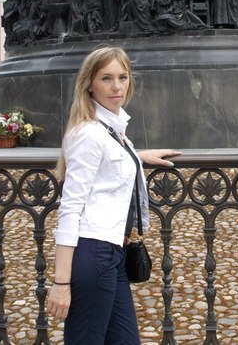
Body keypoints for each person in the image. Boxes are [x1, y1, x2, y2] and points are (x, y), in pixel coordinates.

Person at [46, 46, 181, 344]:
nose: (116, 86)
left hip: (112, 253)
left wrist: (138, 157)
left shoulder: (112, 130)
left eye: (122, 77)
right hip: (94, 253)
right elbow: (70, 208)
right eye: (106, 78)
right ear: (89, 84)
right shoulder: (89, 133)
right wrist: (61, 282)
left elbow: (107, 165)